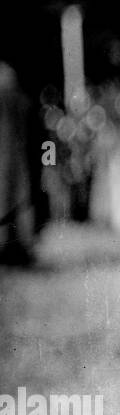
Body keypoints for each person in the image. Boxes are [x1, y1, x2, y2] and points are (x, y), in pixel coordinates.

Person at [0, 62, 37, 265]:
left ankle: (12, 245)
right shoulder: (9, 77)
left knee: (11, 195)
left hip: (10, 148)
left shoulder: (6, 76)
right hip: (12, 148)